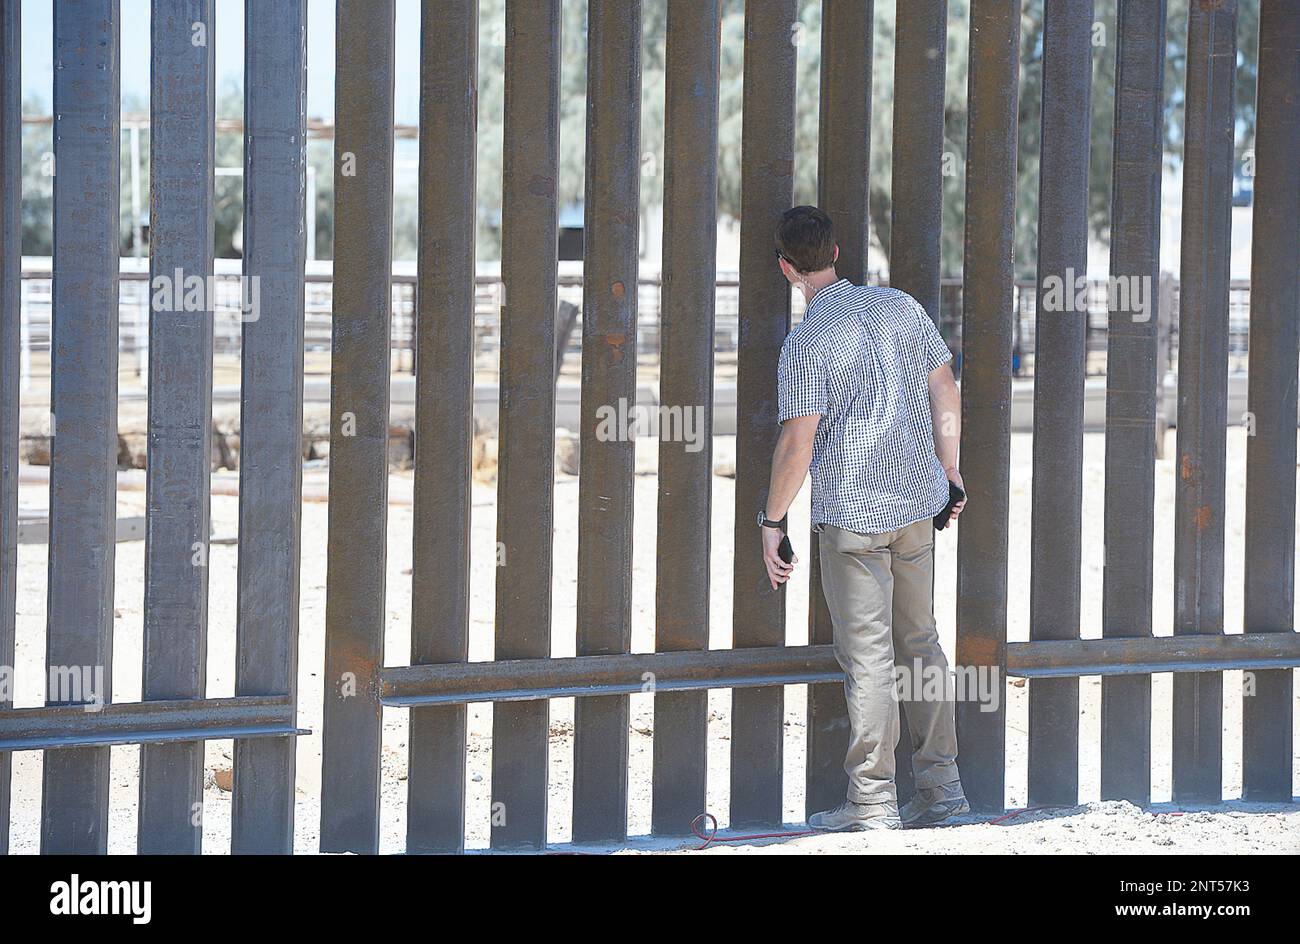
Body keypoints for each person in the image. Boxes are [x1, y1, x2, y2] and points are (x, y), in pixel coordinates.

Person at [759, 205, 968, 831]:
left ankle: (873, 803)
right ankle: (943, 791)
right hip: (916, 507)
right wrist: (950, 473)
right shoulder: (902, 308)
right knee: (922, 644)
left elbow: (799, 441)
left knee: (870, 659)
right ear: (839, 252)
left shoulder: (807, 342)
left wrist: (774, 521)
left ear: (786, 269)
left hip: (853, 516)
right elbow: (946, 392)